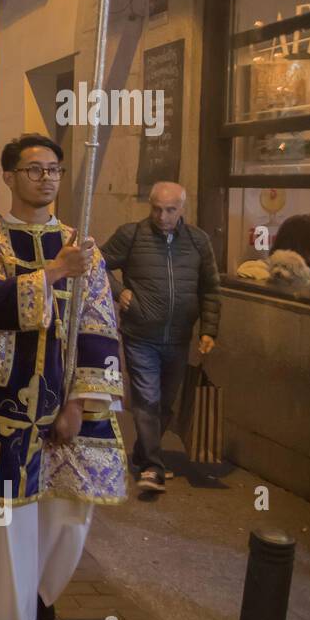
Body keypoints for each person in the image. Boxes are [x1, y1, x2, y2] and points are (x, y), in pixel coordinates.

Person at [0, 134, 125, 620]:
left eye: (54, 168)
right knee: (10, 527)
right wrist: (53, 272)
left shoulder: (84, 245)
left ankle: (39, 595)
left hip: (69, 404)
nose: (47, 178)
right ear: (8, 177)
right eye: (34, 170)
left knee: (70, 516)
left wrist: (80, 402)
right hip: (6, 406)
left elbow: (99, 326)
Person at [100, 181, 221, 494]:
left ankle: (142, 453)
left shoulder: (198, 241)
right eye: (157, 208)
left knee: (165, 403)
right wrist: (118, 291)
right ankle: (154, 466)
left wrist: (209, 330)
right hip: (140, 334)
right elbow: (97, 265)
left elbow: (210, 288)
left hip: (180, 337)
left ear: (182, 209)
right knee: (147, 399)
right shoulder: (131, 235)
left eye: (170, 209)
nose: (163, 216)